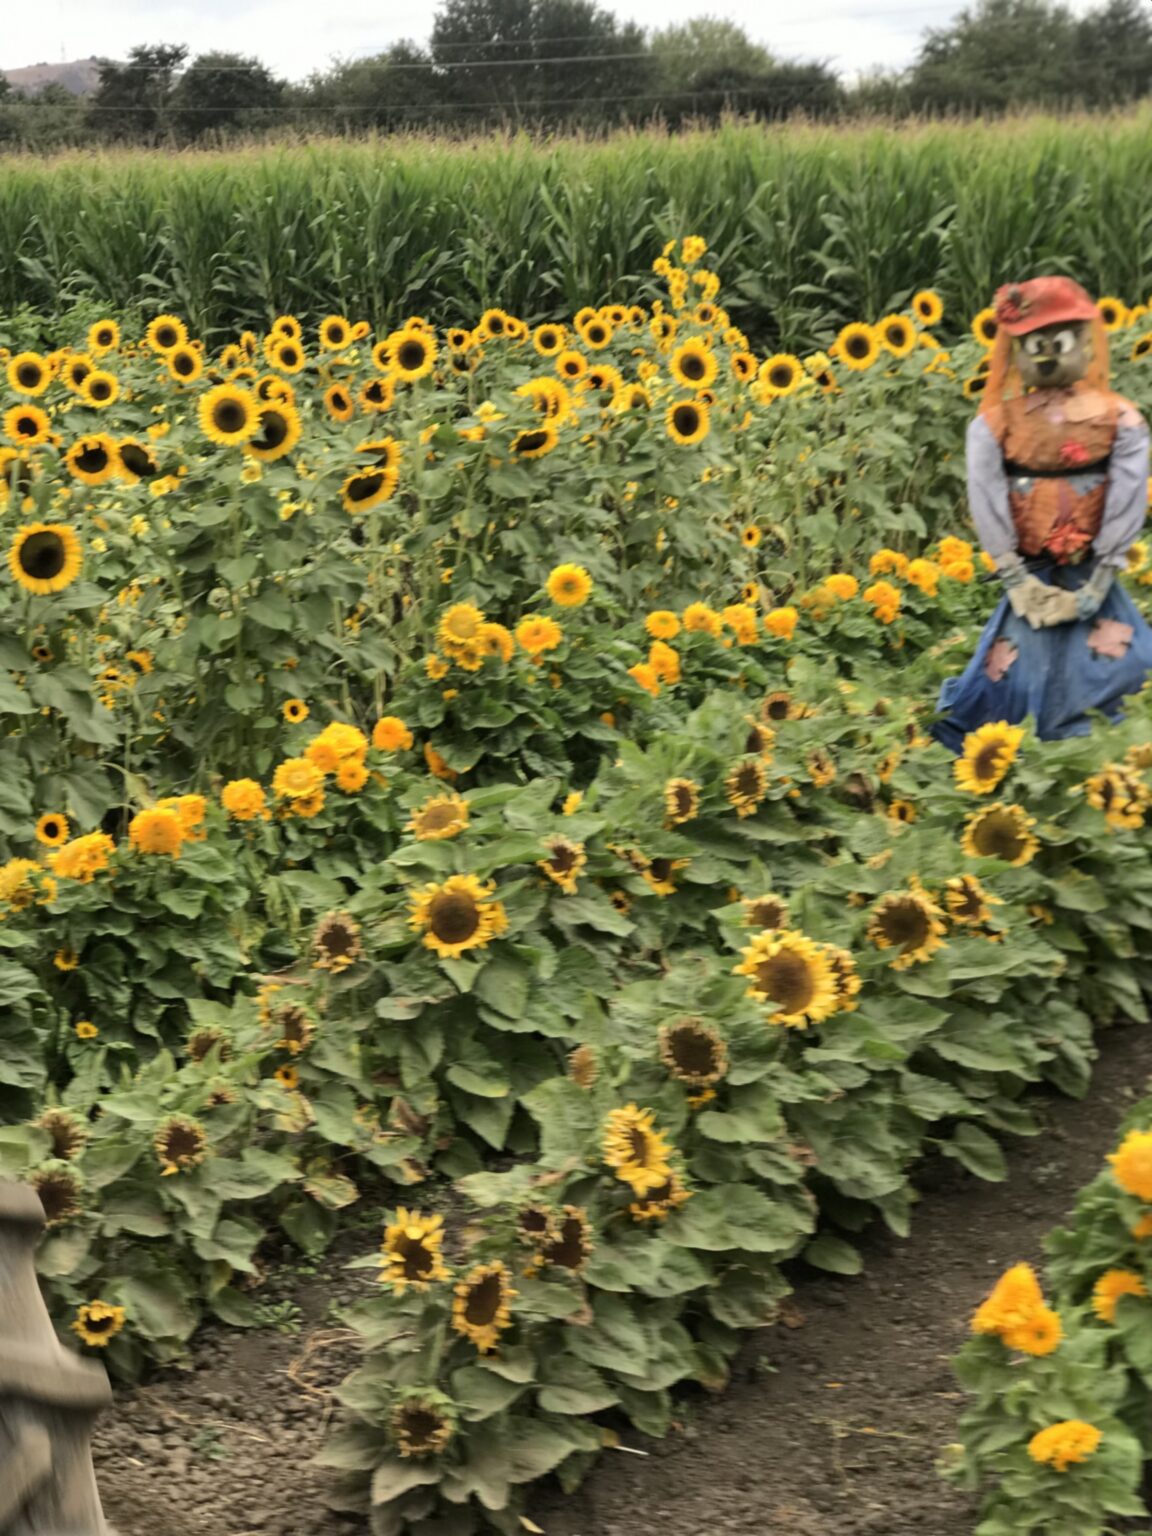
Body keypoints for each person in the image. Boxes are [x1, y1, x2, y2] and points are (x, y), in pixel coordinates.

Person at [933, 276, 1152, 748]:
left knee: (1126, 663)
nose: (1046, 355)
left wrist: (1098, 582)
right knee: (1018, 671)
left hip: (1091, 568)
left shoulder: (1119, 419)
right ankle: (1031, 735)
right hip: (1030, 575)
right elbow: (986, 493)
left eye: (1059, 341)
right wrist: (1014, 577)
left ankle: (1106, 726)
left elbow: (1129, 492)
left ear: (1085, 342)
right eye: (1033, 344)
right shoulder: (995, 424)